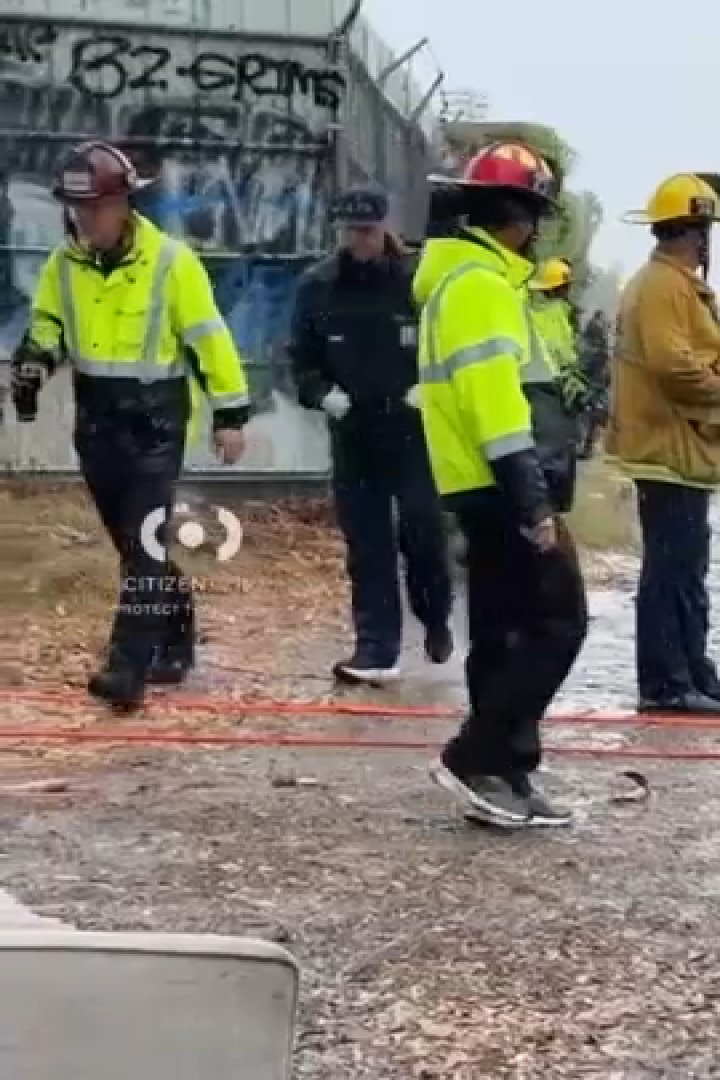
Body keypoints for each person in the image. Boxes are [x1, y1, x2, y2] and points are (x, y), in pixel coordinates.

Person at [10, 140, 249, 710]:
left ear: (123, 204)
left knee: (143, 544)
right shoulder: (62, 266)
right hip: (97, 419)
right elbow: (48, 323)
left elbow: (209, 339)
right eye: (76, 207)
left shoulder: (172, 263)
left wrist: (231, 413)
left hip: (155, 421)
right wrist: (33, 364)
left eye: (93, 206)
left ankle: (126, 669)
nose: (83, 218)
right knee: (130, 542)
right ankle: (177, 618)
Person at [417, 140, 587, 828]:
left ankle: (506, 771)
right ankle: (474, 755)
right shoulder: (481, 288)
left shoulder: (463, 281)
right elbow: (496, 403)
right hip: (501, 481)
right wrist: (532, 499)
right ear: (519, 219)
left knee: (503, 631)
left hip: (477, 482)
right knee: (559, 622)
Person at [290, 186, 453, 685]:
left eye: (367, 230)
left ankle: (435, 616)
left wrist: (431, 387)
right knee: (367, 542)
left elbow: (447, 343)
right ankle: (376, 646)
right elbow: (301, 359)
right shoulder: (319, 286)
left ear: (384, 228)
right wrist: (323, 395)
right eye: (350, 232)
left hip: (411, 425)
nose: (359, 241)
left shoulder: (416, 282)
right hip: (354, 427)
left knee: (422, 531)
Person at [611, 171, 720, 715]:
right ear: (696, 231)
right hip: (669, 449)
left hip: (684, 452)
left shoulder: (674, 285)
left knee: (688, 566)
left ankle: (692, 667)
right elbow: (673, 366)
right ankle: (665, 681)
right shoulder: (663, 288)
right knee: (670, 569)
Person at [527, 256, 582, 508]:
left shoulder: (528, 310)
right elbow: (567, 357)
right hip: (551, 394)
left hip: (535, 393)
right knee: (552, 465)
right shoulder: (557, 314)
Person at [575, 309, 612, 458]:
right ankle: (585, 447)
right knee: (591, 417)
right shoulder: (598, 351)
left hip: (592, 388)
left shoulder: (586, 346)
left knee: (589, 418)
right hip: (593, 388)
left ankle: (585, 447)